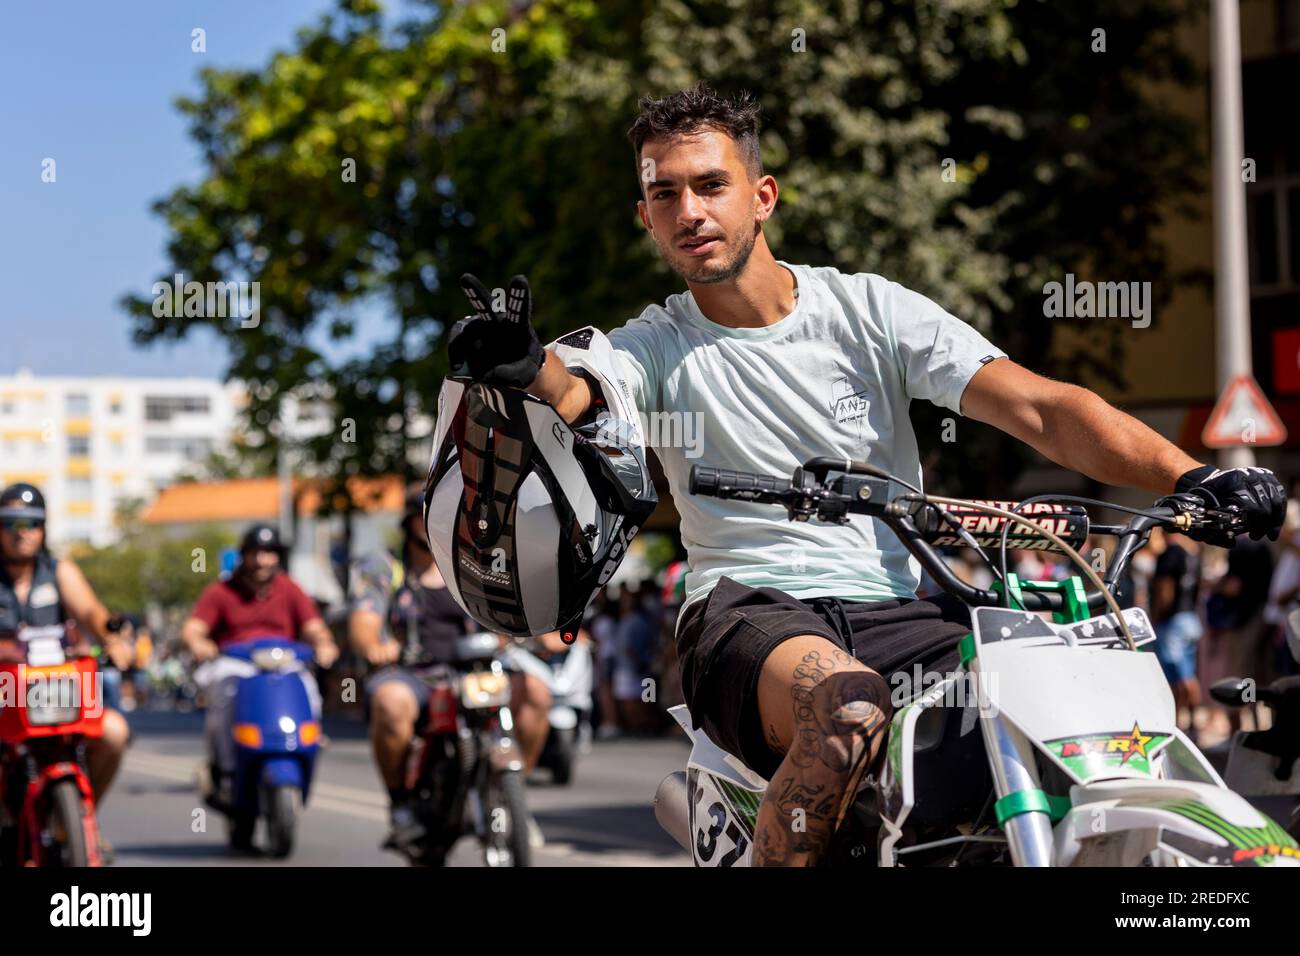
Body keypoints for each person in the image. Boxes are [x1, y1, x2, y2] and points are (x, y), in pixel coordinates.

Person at [439, 84, 1287, 865]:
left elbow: (1040, 409)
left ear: (762, 196)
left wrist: (1192, 477)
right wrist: (526, 370)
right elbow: (587, 392)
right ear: (645, 216)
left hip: (904, 605)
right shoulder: (656, 344)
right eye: (665, 194)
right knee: (848, 710)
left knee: (1053, 693)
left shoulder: (869, 310)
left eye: (710, 185)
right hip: (747, 611)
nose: (688, 211)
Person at [347, 488, 552, 848]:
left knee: (536, 690)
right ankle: (400, 807)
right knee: (389, 701)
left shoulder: (482, 560)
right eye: (427, 517)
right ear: (411, 522)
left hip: (479, 673)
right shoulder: (384, 566)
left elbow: (519, 607)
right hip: (416, 674)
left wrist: (542, 631)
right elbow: (364, 619)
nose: (437, 525)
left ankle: (513, 794)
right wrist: (373, 646)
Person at [0, 483, 133, 854]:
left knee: (115, 732)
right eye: (11, 523)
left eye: (31, 523)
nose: (21, 532)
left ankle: (81, 822)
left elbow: (93, 614)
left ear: (43, 529)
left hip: (58, 696)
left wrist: (112, 640)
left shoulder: (59, 571)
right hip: (4, 699)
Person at [180, 523, 337, 818]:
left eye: (269, 553)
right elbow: (193, 629)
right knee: (224, 694)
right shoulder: (221, 591)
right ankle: (226, 771)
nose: (262, 561)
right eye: (256, 553)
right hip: (234, 662)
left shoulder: (289, 589)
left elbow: (314, 627)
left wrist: (324, 643)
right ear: (244, 556)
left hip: (283, 662)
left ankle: (307, 738)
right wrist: (199, 643)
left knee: (309, 689)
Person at [1148, 529, 1203, 735]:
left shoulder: (1170, 553)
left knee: (1179, 677)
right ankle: (1189, 724)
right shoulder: (1191, 552)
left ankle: (1179, 724)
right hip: (1190, 618)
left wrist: (1155, 616)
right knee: (1187, 674)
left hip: (1173, 621)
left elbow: (1165, 590)